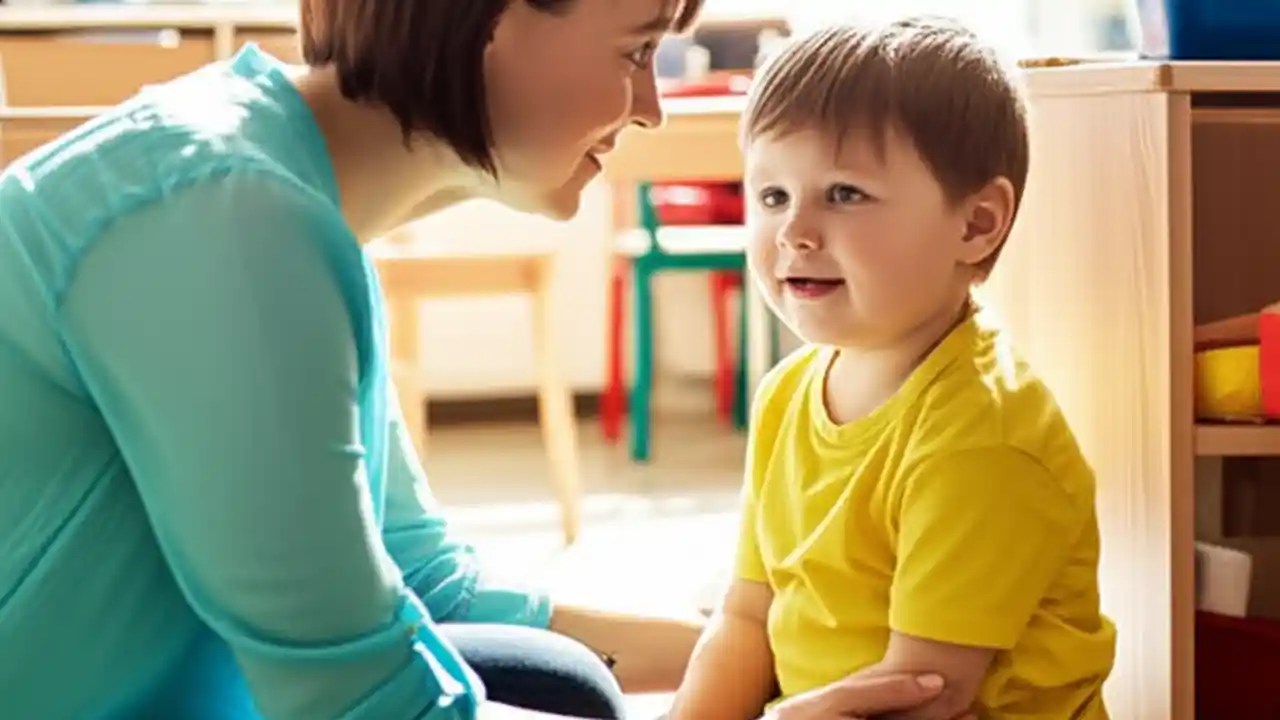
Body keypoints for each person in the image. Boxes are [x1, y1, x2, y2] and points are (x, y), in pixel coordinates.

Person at [669, 16, 1118, 720]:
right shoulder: (787, 394)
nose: (795, 231)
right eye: (772, 196)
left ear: (975, 224)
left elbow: (921, 698)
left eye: (844, 194)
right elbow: (747, 619)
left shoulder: (980, 438)